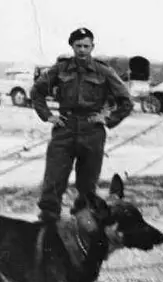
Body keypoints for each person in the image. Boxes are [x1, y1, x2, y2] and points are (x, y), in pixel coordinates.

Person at [31, 27, 134, 222]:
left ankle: (82, 220)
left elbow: (126, 101)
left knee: (88, 182)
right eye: (78, 46)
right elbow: (37, 92)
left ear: (92, 47)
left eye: (86, 46)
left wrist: (107, 119)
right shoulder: (60, 69)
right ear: (72, 46)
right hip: (65, 127)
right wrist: (48, 116)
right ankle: (48, 219)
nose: (82, 50)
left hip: (91, 130)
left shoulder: (103, 71)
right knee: (54, 177)